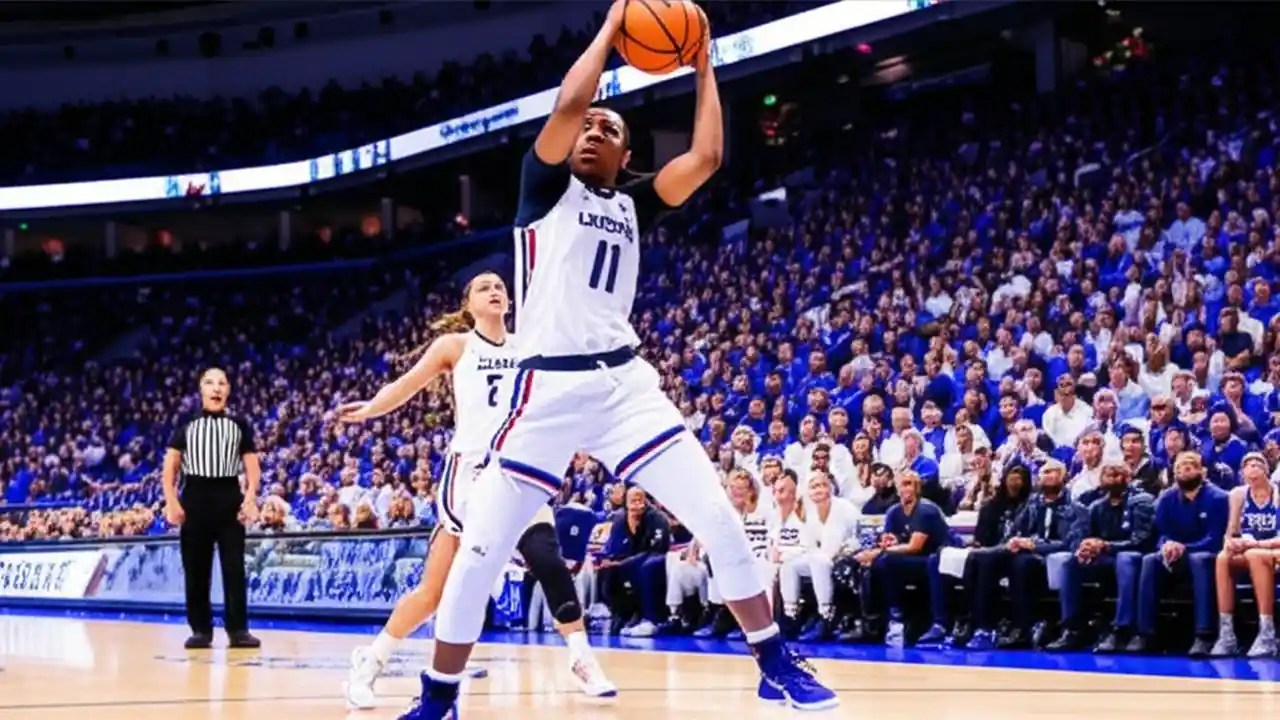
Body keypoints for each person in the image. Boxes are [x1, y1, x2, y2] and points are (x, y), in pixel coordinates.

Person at [403, 3, 836, 716]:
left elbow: (706, 159)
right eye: (589, 126)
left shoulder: (636, 202)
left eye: (609, 128)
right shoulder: (540, 189)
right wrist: (611, 29)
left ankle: (773, 660)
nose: (592, 129)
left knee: (719, 521)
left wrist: (703, 63)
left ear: (626, 156)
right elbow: (573, 99)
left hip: (624, 387)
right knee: (478, 555)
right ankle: (438, 696)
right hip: (543, 389)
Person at [336, 272, 615, 710]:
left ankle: (582, 659)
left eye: (501, 286)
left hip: (518, 467)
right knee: (433, 593)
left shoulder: (530, 346)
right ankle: (371, 661)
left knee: (548, 559)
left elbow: (556, 400)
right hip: (468, 472)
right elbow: (407, 386)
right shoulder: (456, 346)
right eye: (484, 286)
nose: (496, 290)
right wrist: (371, 408)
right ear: (468, 304)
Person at [162, 367, 262, 650]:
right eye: (209, 383)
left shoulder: (239, 424)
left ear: (228, 390)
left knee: (234, 567)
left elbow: (252, 467)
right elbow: (170, 466)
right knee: (196, 568)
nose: (216, 388)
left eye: (221, 383)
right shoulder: (186, 424)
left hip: (228, 495)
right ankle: (201, 630)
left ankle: (238, 629)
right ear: (201, 390)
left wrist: (250, 496)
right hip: (195, 495)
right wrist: (171, 500)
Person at [1046, 461, 1154, 652]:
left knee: (1126, 558)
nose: (1113, 480)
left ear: (1128, 478)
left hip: (1135, 557)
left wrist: (1106, 546)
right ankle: (1072, 628)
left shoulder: (1141, 501)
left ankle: (1122, 628)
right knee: (1070, 561)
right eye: (1108, 475)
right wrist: (1085, 547)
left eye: (1118, 475)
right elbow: (1086, 534)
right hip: (1105, 557)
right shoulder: (1096, 506)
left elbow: (1141, 540)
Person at [1130, 451, 1229, 656]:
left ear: (1202, 471)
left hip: (1206, 553)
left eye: (1190, 467)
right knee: (1150, 561)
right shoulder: (1167, 498)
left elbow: (1215, 538)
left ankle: (1204, 634)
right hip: (1175, 553)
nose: (1183, 471)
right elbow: (1162, 532)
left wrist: (1184, 548)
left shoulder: (1219, 497)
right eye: (1178, 469)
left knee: (1199, 560)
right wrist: (1166, 545)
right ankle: (1145, 633)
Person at [1210, 452, 1279, 657]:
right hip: (1252, 550)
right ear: (1242, 473)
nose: (1253, 468)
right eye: (1247, 465)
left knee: (1256, 555)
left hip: (1271, 547)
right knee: (1223, 558)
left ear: (1267, 470)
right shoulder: (1238, 495)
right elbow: (1230, 532)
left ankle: (1267, 633)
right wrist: (1231, 543)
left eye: (1258, 464)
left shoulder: (1277, 494)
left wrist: (1257, 543)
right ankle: (1227, 633)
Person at [599, 487, 671, 637]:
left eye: (640, 499)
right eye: (633, 500)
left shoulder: (657, 518)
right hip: (628, 561)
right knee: (606, 570)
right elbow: (615, 549)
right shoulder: (619, 520)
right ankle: (619, 614)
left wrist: (625, 563)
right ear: (626, 502)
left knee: (648, 566)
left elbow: (657, 549)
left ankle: (650, 619)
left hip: (655, 560)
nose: (637, 503)